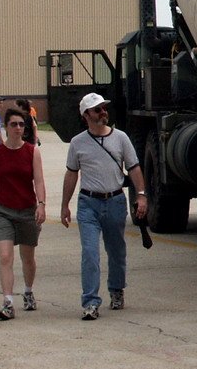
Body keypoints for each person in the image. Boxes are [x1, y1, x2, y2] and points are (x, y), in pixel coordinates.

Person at [61, 93, 147, 320]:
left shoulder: (120, 138)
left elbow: (134, 167)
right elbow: (71, 174)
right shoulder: (78, 143)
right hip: (88, 203)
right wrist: (64, 205)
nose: (103, 113)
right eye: (97, 110)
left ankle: (116, 289)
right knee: (90, 253)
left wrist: (141, 195)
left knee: (116, 250)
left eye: (104, 108)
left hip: (115, 201)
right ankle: (90, 302)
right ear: (86, 115)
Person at [0, 108, 47, 320]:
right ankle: (8, 302)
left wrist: (41, 204)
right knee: (5, 256)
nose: (18, 128)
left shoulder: (32, 152)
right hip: (2, 211)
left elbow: (39, 180)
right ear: (5, 127)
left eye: (21, 124)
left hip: (27, 210)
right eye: (14, 124)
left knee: (28, 257)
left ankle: (28, 291)